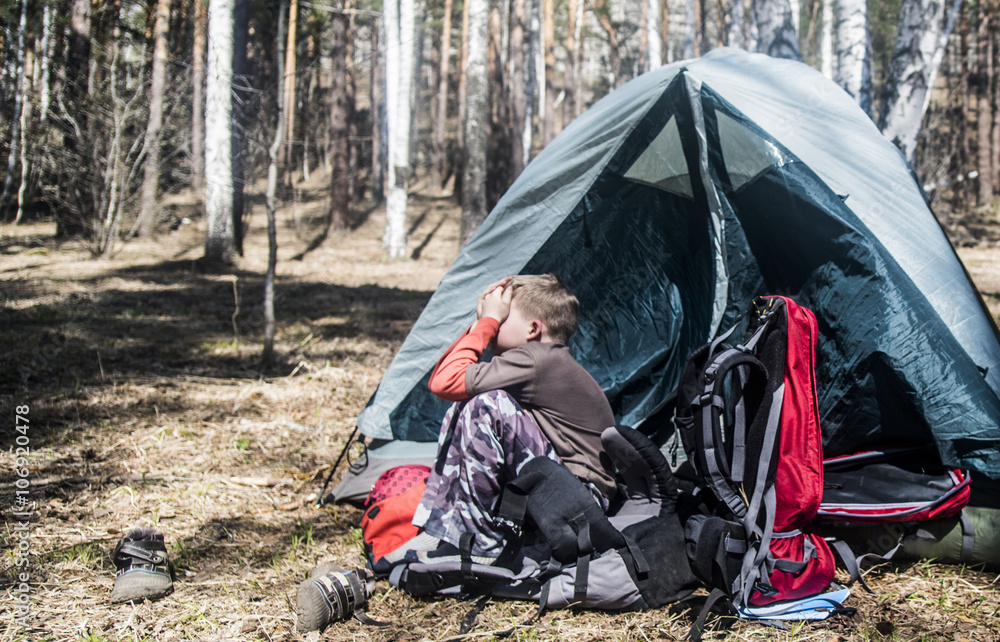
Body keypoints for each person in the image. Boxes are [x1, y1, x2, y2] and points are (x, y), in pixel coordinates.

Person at [401, 273, 617, 562]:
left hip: (577, 502)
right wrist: (484, 322)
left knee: (487, 405)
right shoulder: (541, 359)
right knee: (465, 405)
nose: (492, 327)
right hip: (559, 490)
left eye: (501, 319)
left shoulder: (537, 358)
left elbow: (445, 381)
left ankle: (482, 544)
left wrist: (485, 323)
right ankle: (444, 528)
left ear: (532, 329)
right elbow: (448, 379)